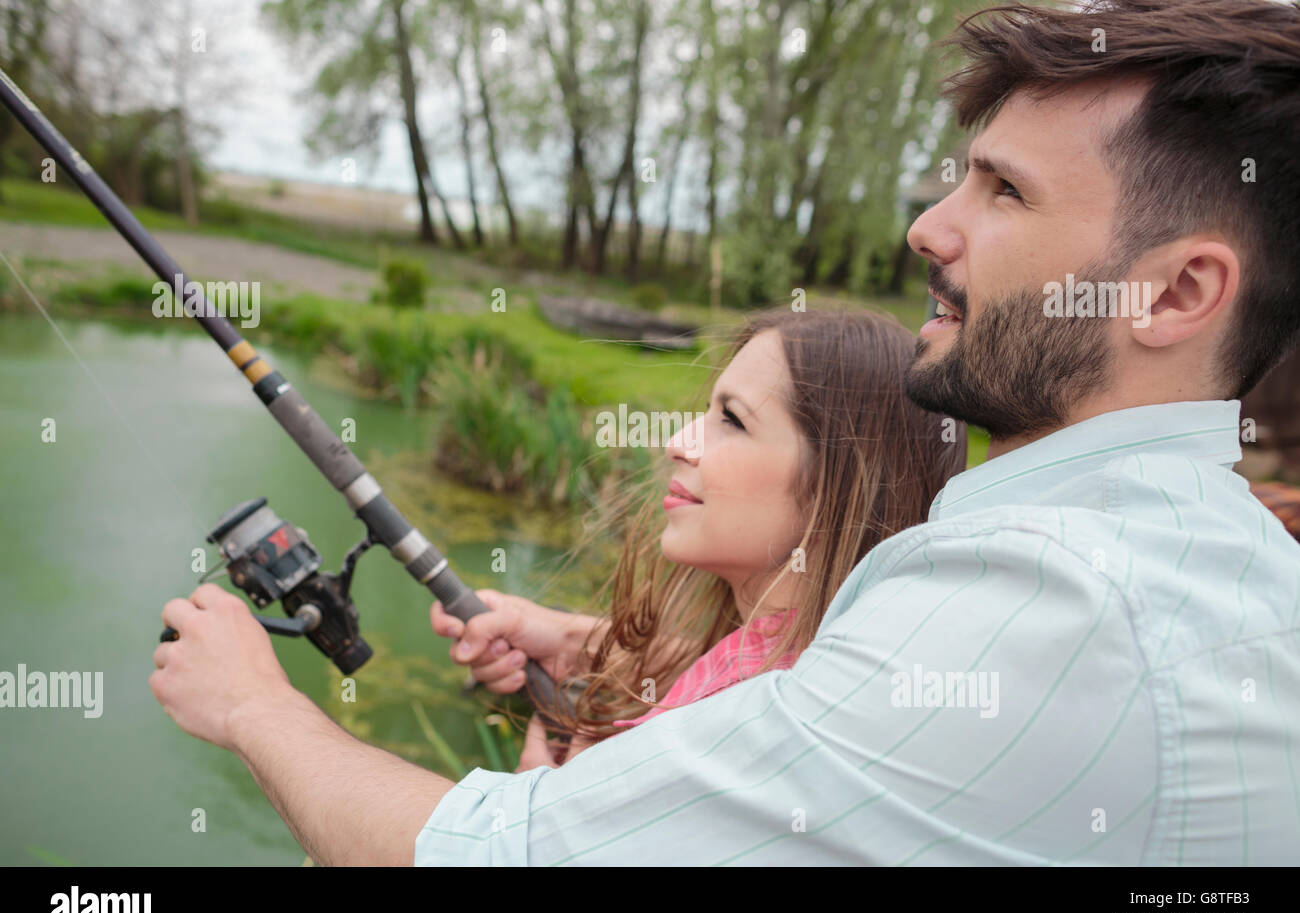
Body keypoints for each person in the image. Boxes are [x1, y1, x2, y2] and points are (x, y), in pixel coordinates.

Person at [151, 0, 1300, 866]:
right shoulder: (1212, 557)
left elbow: (501, 855)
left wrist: (253, 704)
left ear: (1175, 293)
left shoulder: (1048, 603)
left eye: (1003, 192)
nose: (926, 227)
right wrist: (581, 638)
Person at [428, 309, 966, 771]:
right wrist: (569, 639)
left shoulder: (740, 729)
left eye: (732, 419)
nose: (677, 443)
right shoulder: (832, 670)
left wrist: (544, 811)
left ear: (841, 480)